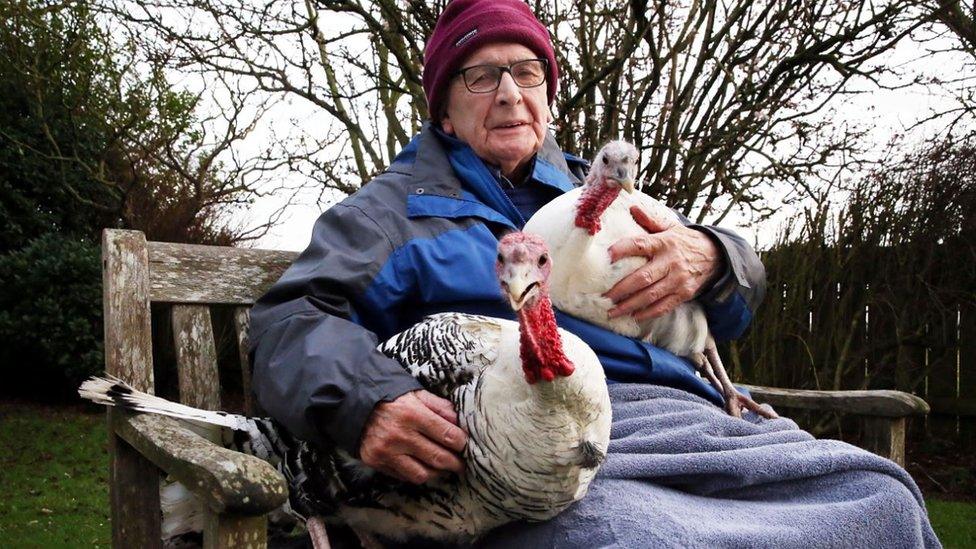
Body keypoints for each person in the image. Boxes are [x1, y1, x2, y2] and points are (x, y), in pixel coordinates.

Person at [249, 0, 940, 547]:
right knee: (627, 538)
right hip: (531, 449)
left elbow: (730, 312)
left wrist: (713, 256)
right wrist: (367, 397)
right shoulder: (389, 214)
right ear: (445, 113)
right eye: (480, 75)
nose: (510, 93)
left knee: (881, 500)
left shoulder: (599, 194)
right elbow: (290, 320)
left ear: (548, 94)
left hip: (682, 421)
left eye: (526, 71)